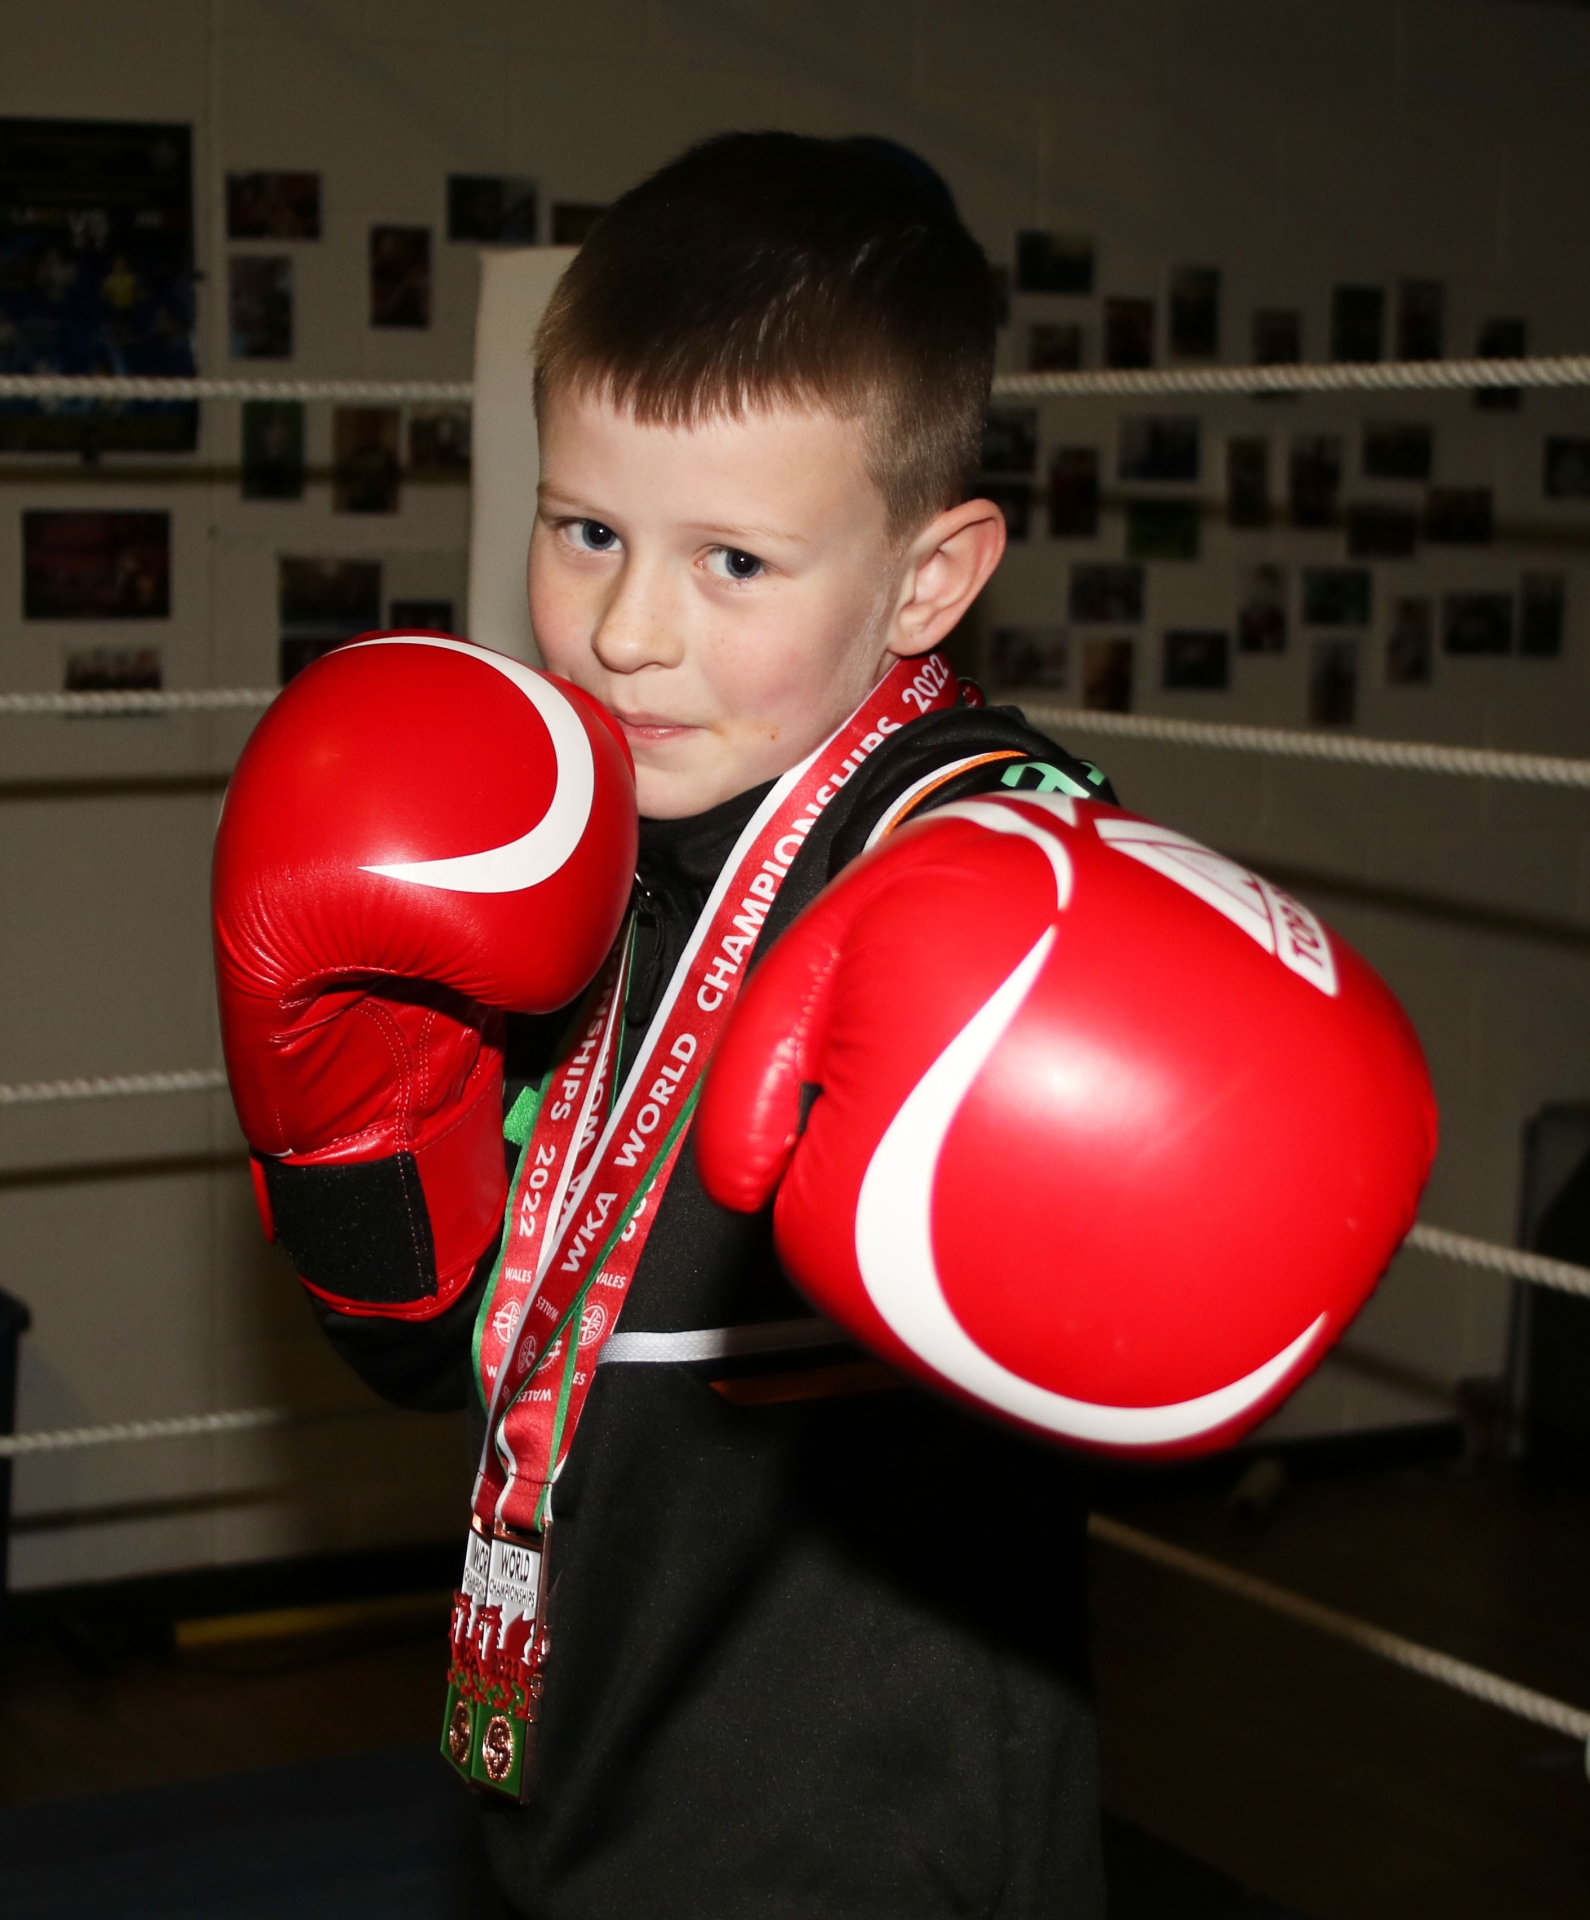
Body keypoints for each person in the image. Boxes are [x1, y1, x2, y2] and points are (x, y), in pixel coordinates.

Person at [213, 133, 1432, 1918]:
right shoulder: (540, 836)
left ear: (928, 581)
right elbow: (436, 1361)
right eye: (588, 531)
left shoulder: (982, 862)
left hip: (878, 1846)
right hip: (578, 1805)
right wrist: (344, 1126)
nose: (627, 632)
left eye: (735, 564)